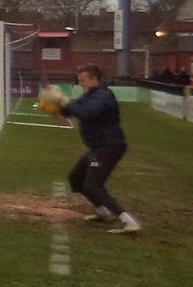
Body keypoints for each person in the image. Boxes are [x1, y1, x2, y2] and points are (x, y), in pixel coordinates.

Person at [59, 65, 141, 234]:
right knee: (76, 178)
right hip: (98, 146)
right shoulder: (89, 94)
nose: (80, 84)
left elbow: (87, 113)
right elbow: (72, 109)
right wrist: (57, 105)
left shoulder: (103, 95)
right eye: (79, 80)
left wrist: (66, 102)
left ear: (94, 79)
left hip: (109, 146)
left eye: (83, 80)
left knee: (93, 186)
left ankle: (129, 221)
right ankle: (103, 212)